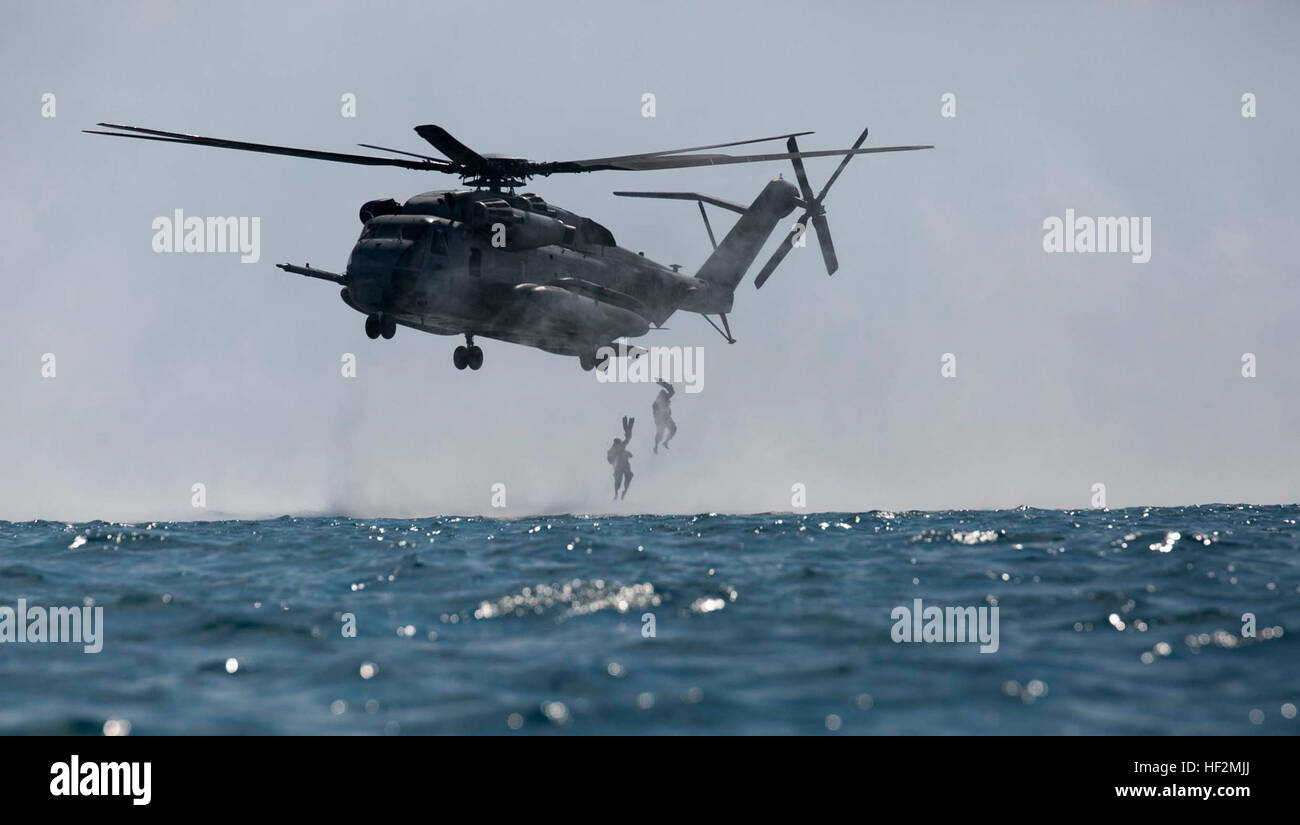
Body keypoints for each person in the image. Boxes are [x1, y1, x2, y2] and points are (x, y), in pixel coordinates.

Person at [607, 415, 635, 499]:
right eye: (617, 444)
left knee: (629, 477)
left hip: (625, 466)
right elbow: (610, 460)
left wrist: (628, 429)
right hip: (618, 467)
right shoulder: (612, 450)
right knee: (618, 482)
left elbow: (628, 438)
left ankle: (624, 492)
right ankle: (616, 494)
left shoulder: (622, 446)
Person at [652, 381, 676, 454]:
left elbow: (672, 391)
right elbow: (655, 413)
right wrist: (658, 421)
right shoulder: (656, 403)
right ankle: (656, 446)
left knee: (673, 429)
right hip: (661, 419)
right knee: (660, 434)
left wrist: (663, 383)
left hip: (667, 418)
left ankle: (665, 442)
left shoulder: (665, 398)